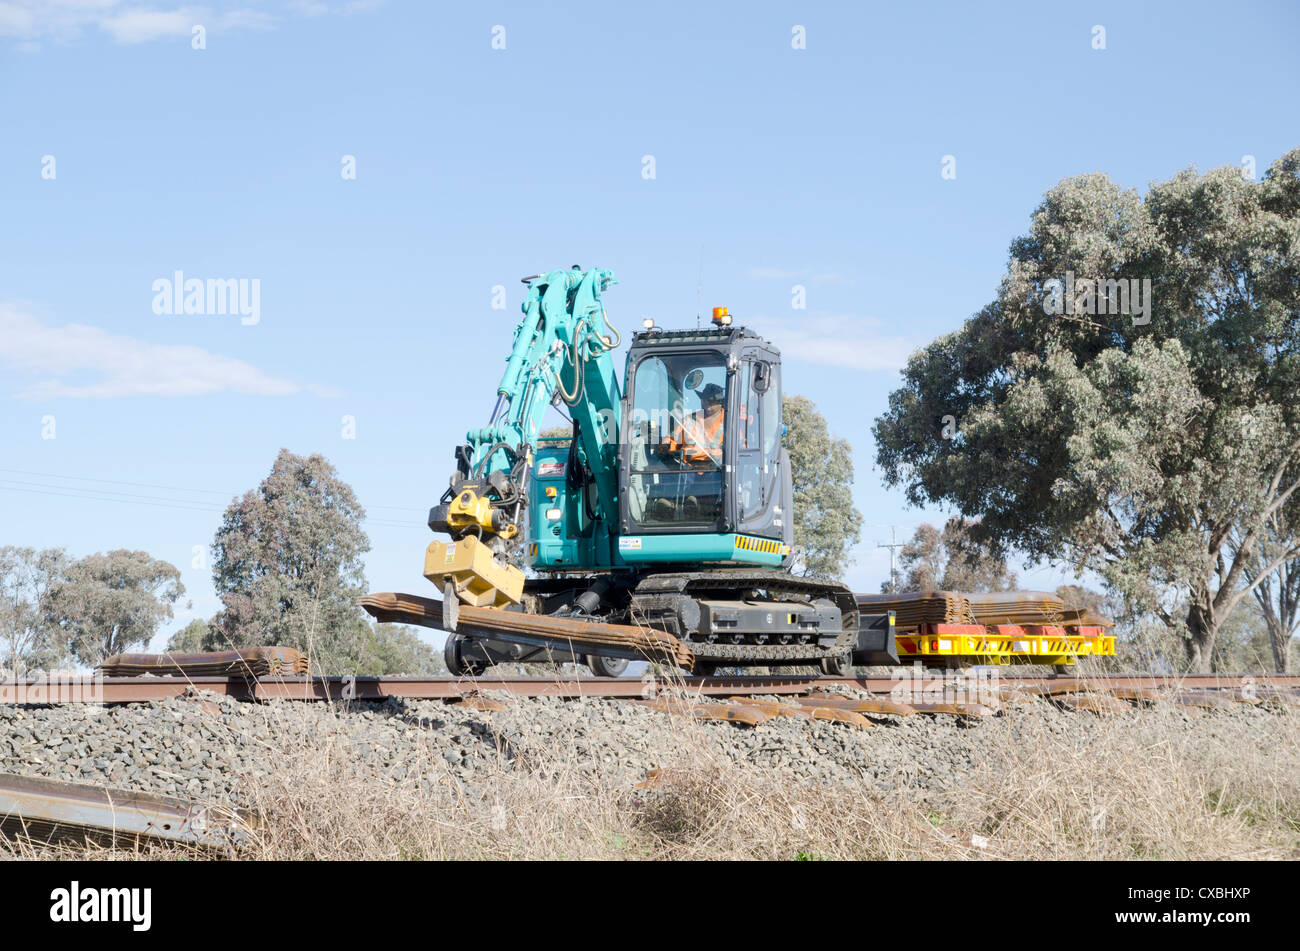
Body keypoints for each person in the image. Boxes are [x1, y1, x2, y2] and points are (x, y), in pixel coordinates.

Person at [658, 382, 725, 468]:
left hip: (717, 472)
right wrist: (666, 445)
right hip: (688, 471)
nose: (706, 402)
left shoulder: (729, 421)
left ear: (720, 402)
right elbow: (673, 439)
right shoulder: (690, 419)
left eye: (711, 399)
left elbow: (738, 450)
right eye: (703, 399)